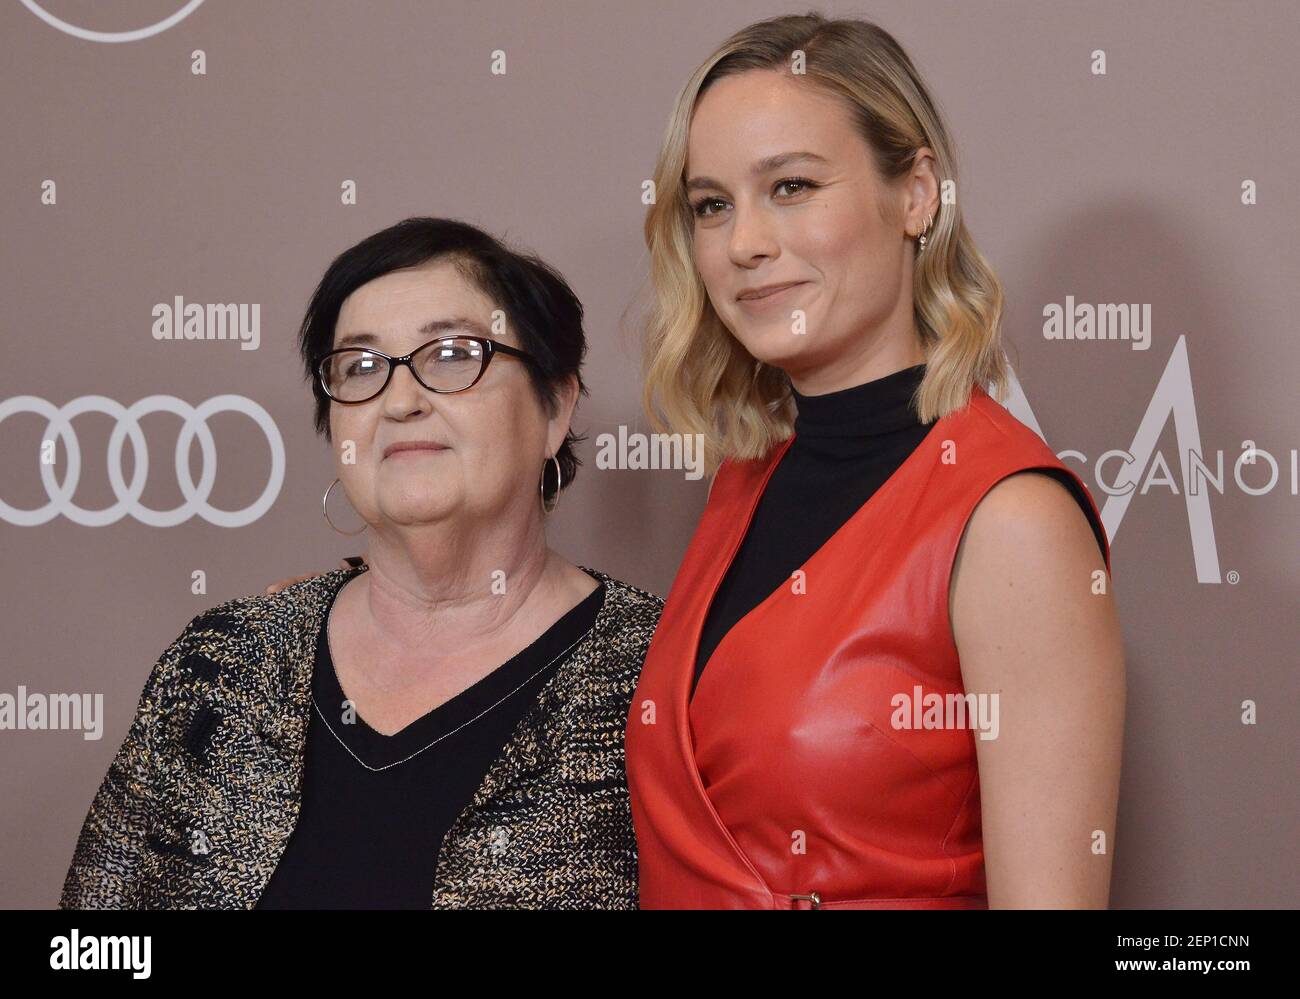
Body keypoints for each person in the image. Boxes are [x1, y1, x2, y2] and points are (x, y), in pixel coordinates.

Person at [625, 13, 1126, 908]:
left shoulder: (1010, 517)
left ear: (917, 194)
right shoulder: (750, 477)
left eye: (791, 186)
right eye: (712, 205)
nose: (743, 243)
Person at [59, 217, 662, 909]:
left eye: (453, 353)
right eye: (361, 367)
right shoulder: (223, 665)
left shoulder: (658, 681)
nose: (401, 400)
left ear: (555, 405)